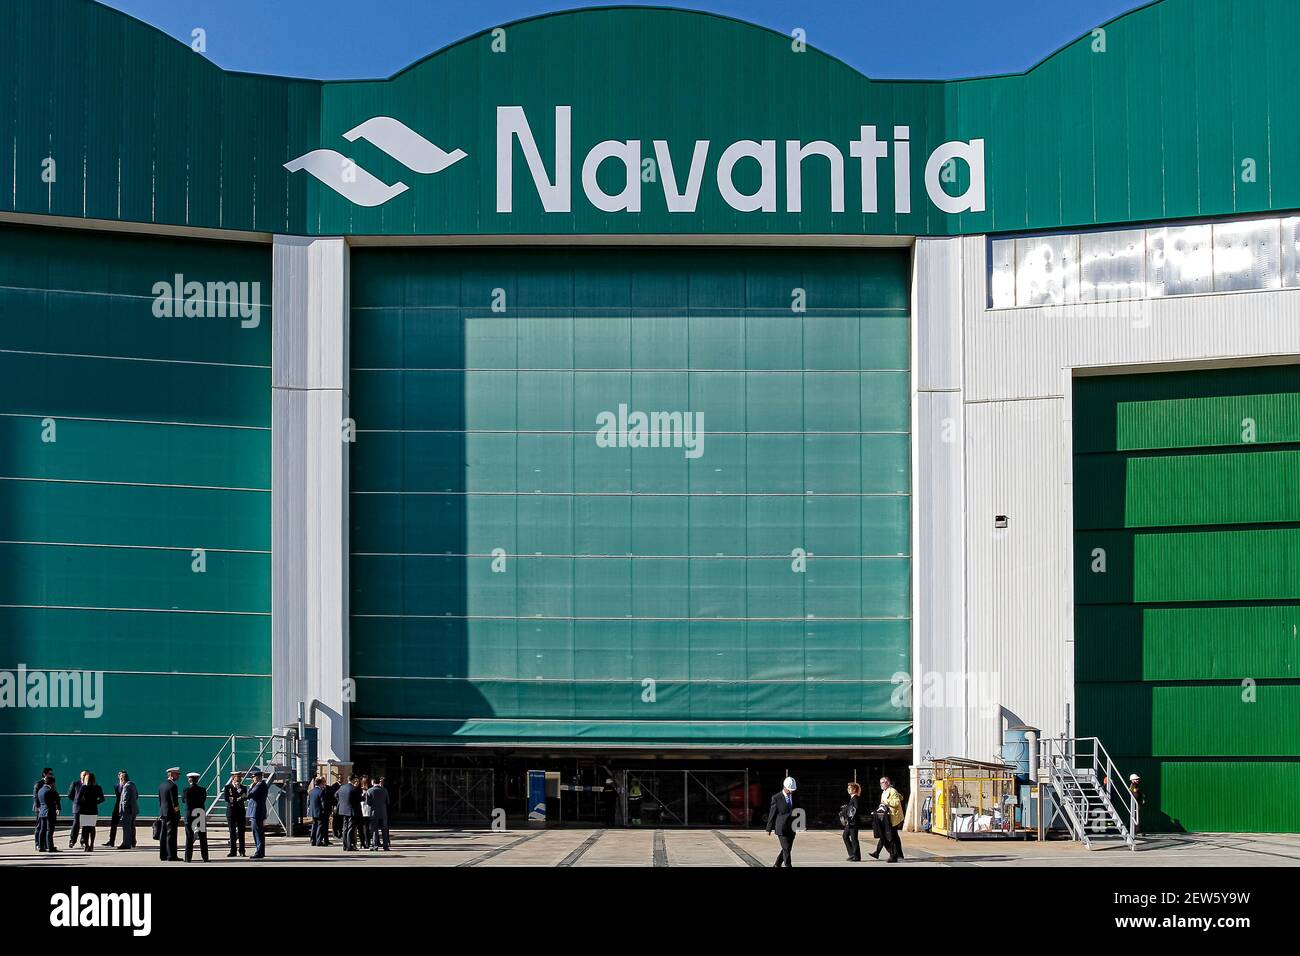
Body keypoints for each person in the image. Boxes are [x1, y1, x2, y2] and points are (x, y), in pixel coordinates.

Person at [765, 776, 799, 867]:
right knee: (786, 849)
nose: (791, 792)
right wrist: (769, 828)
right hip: (781, 828)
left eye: (792, 790)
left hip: (792, 828)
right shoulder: (776, 798)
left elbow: (797, 811)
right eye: (789, 790)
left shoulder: (794, 796)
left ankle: (777, 864)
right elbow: (772, 814)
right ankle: (788, 865)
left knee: (787, 849)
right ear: (785, 787)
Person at [870, 775, 904, 862]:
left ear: (887, 783)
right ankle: (896, 854)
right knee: (890, 836)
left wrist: (886, 802)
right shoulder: (884, 792)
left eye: (882, 782)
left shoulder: (892, 791)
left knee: (889, 836)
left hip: (893, 817)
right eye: (880, 783)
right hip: (886, 817)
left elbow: (896, 802)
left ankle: (893, 855)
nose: (881, 784)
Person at [183, 771, 210, 862]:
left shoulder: (186, 790)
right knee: (202, 837)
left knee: (189, 836)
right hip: (199, 813)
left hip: (189, 814)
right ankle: (205, 857)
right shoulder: (202, 790)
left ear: (189, 780)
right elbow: (203, 800)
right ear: (197, 779)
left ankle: (188, 858)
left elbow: (184, 801)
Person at [75, 771, 105, 851]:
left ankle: (86, 845)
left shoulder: (83, 787)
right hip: (93, 809)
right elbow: (102, 799)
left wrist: (84, 802)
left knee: (85, 828)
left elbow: (77, 800)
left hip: (84, 810)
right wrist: (95, 802)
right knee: (92, 828)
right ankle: (92, 845)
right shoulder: (98, 787)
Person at [158, 767, 182, 861]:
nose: (178, 776)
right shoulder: (173, 786)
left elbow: (160, 800)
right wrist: (178, 813)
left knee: (163, 834)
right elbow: (175, 802)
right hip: (171, 814)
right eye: (177, 774)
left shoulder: (162, 785)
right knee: (171, 835)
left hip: (163, 812)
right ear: (171, 774)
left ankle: (163, 854)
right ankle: (171, 855)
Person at [222, 771, 248, 857]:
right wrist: (237, 798)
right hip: (231, 812)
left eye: (240, 777)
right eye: (238, 777)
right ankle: (233, 851)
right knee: (232, 832)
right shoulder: (227, 787)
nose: (240, 778)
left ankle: (242, 850)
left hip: (240, 812)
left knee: (241, 832)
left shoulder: (243, 787)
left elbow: (244, 797)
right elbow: (227, 798)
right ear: (233, 777)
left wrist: (237, 794)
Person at [247, 770, 270, 859]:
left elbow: (250, 795)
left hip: (257, 811)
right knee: (257, 832)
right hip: (256, 811)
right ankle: (260, 851)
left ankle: (259, 852)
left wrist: (250, 787)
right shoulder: (259, 785)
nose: (253, 779)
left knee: (257, 832)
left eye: (254, 777)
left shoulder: (260, 785)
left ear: (258, 777)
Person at [365, 777, 391, 852]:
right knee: (384, 830)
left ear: (373, 782)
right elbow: (387, 801)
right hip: (383, 812)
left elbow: (368, 803)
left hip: (373, 812)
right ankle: (385, 846)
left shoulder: (369, 791)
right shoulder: (384, 790)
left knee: (374, 830)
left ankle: (375, 845)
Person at [36, 774, 60, 853]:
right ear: (52, 783)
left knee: (42, 829)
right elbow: (55, 800)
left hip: (42, 812)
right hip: (50, 812)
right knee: (50, 830)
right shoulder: (50, 791)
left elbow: (38, 802)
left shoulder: (40, 790)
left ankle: (41, 846)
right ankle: (50, 846)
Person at [336, 774, 360, 850]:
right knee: (350, 828)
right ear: (353, 780)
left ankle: (345, 845)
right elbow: (358, 799)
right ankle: (349, 845)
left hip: (343, 810)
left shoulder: (342, 787)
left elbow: (336, 795)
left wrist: (342, 801)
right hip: (351, 810)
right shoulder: (353, 788)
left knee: (345, 828)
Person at [117, 771, 139, 849]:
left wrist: (123, 810)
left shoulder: (126, 787)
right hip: (133, 810)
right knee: (132, 826)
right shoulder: (133, 785)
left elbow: (125, 800)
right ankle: (133, 841)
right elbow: (136, 795)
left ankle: (126, 843)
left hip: (127, 811)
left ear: (122, 779)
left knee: (126, 827)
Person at [840, 781, 862, 861]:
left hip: (853, 821)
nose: (848, 789)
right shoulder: (852, 798)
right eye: (848, 788)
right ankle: (853, 854)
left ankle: (855, 856)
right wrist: (845, 808)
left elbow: (856, 809)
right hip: (851, 821)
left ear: (854, 789)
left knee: (853, 838)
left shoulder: (855, 797)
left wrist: (847, 812)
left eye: (850, 788)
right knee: (846, 836)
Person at [66, 770, 87, 848]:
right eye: (83, 775)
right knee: (76, 824)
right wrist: (76, 801)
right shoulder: (75, 784)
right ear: (80, 775)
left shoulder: (89, 784)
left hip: (86, 808)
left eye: (86, 775)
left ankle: (83, 841)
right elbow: (70, 795)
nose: (85, 776)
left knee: (85, 824)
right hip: (77, 807)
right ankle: (72, 840)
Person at [32, 768, 52, 850]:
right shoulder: (39, 784)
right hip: (40, 808)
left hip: (47, 808)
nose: (51, 775)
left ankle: (45, 844)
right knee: (39, 826)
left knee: (46, 827)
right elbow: (35, 796)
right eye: (50, 773)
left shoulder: (51, 783)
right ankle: (38, 844)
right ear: (45, 774)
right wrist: (38, 807)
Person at [307, 777, 327, 846]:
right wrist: (324, 810)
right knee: (320, 826)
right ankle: (319, 841)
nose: (324, 784)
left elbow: (308, 802)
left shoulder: (311, 791)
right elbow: (323, 803)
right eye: (323, 783)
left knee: (314, 825)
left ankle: (313, 840)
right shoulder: (321, 791)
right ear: (321, 783)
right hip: (319, 811)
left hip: (313, 811)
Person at [358, 773, 373, 849]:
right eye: (363, 782)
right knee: (363, 827)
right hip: (362, 810)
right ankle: (364, 842)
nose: (364, 784)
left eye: (365, 782)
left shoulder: (369, 790)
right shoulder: (359, 790)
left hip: (366, 810)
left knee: (366, 827)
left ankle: (366, 842)